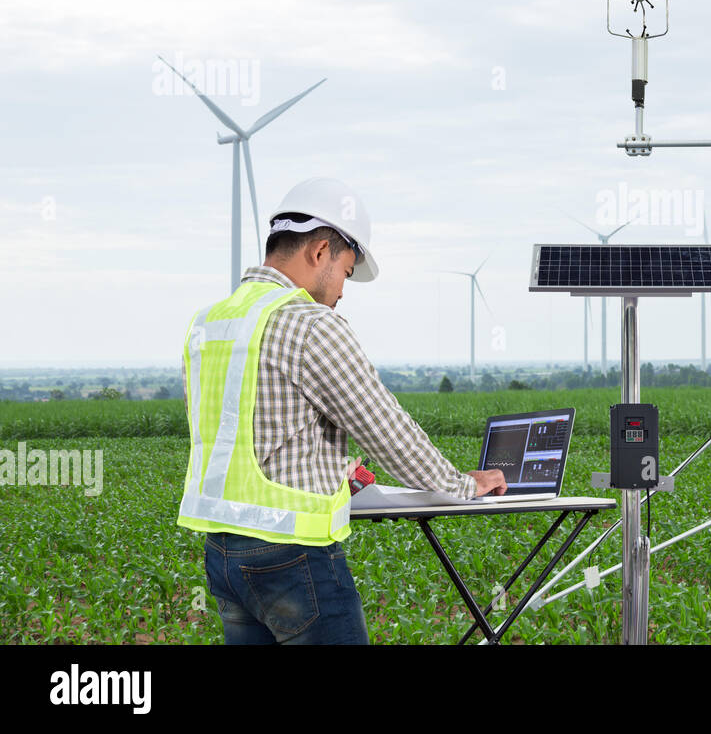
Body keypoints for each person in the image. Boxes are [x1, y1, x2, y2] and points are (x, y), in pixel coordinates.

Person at [178, 176, 506, 644]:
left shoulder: (208, 324)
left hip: (224, 557)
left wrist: (330, 466)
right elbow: (388, 432)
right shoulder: (310, 324)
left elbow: (237, 434)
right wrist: (461, 485)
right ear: (320, 251)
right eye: (347, 272)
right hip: (292, 558)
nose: (343, 291)